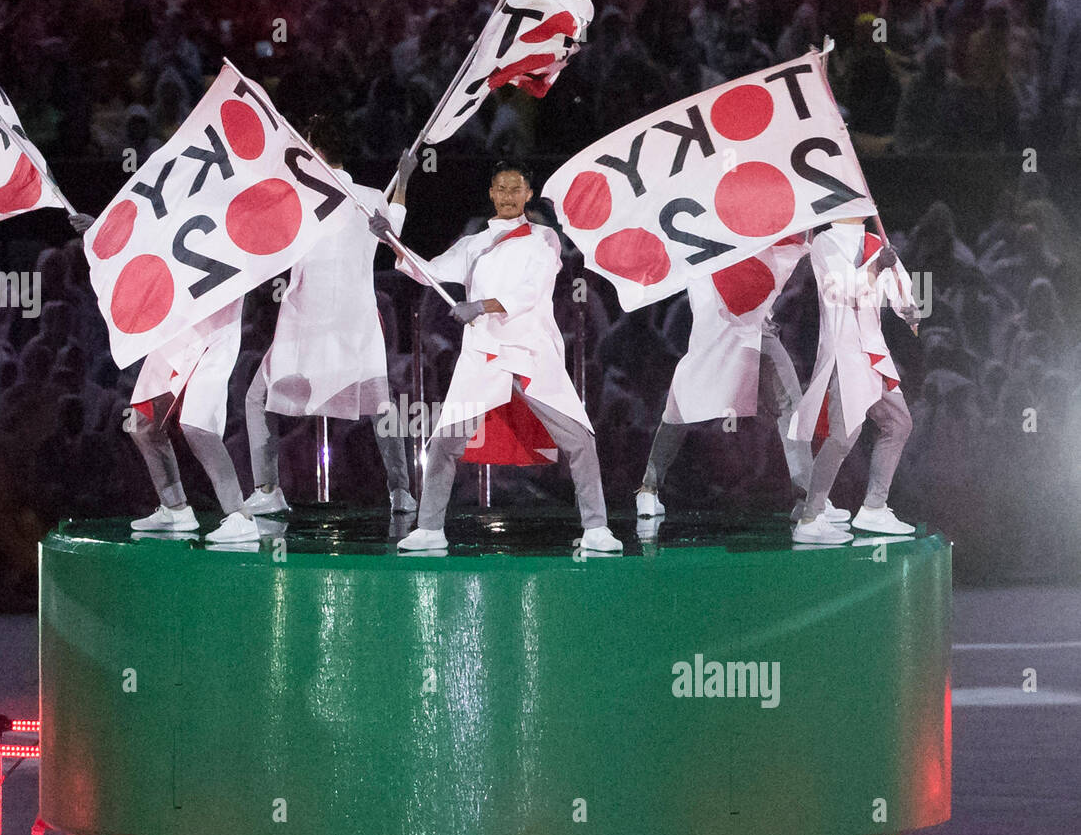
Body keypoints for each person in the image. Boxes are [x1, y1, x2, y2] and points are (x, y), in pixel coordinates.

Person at [377, 161, 621, 552]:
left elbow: (530, 290)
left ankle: (596, 529)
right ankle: (429, 529)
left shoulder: (545, 239)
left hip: (530, 353)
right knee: (444, 442)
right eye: (501, 189)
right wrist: (391, 236)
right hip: (483, 354)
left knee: (578, 438)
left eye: (516, 189)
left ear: (528, 194)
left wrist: (480, 306)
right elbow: (427, 271)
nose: (508, 196)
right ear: (491, 193)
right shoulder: (474, 243)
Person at [242, 115, 416, 516]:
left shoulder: (298, 197)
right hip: (348, 324)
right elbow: (397, 228)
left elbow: (392, 232)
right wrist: (404, 179)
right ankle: (401, 492)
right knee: (381, 406)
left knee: (258, 397)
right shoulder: (370, 197)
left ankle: (268, 490)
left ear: (315, 151)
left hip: (311, 324)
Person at [635, 233, 850, 525]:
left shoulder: (753, 218)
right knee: (683, 405)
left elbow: (789, 241)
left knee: (790, 405)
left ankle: (808, 500)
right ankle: (648, 487)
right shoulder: (706, 226)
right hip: (718, 323)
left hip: (755, 325)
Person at [68, 213, 254, 544]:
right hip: (175, 331)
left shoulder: (236, 223)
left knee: (198, 427)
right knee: (141, 424)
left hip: (214, 332)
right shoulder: (182, 210)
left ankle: (240, 516)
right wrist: (101, 229)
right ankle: (176, 510)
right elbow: (147, 240)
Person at [789, 217, 919, 544]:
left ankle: (874, 507)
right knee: (845, 435)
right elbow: (841, 289)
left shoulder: (877, 242)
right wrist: (877, 267)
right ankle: (810, 516)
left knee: (899, 423)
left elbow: (903, 286)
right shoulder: (825, 242)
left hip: (873, 352)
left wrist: (913, 308)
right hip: (844, 352)